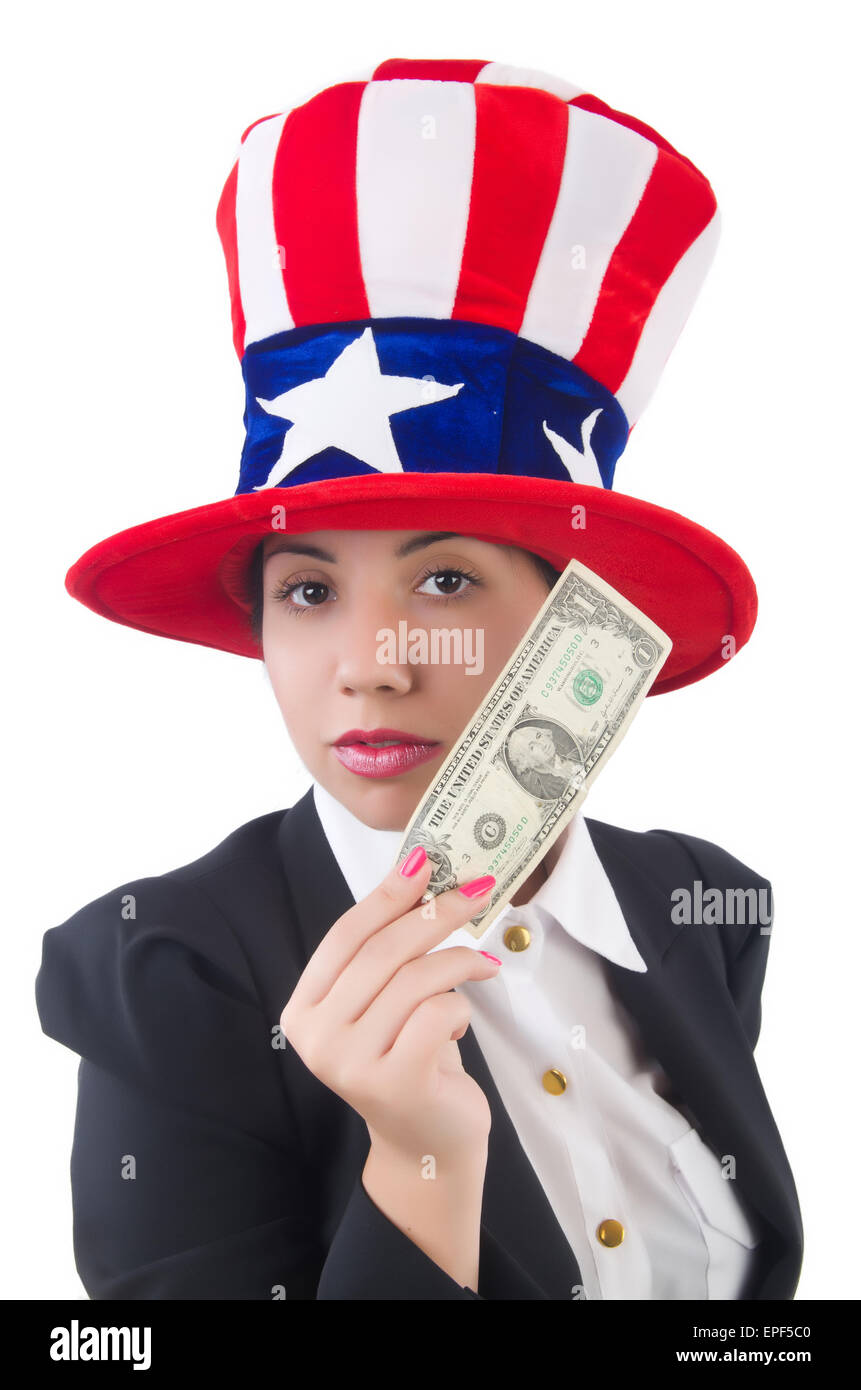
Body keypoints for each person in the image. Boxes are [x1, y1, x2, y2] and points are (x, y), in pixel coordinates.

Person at [35, 57, 803, 1300]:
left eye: (445, 581)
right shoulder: (157, 972)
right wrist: (420, 1160)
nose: (373, 668)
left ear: (577, 622)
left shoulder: (706, 905)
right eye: (308, 589)